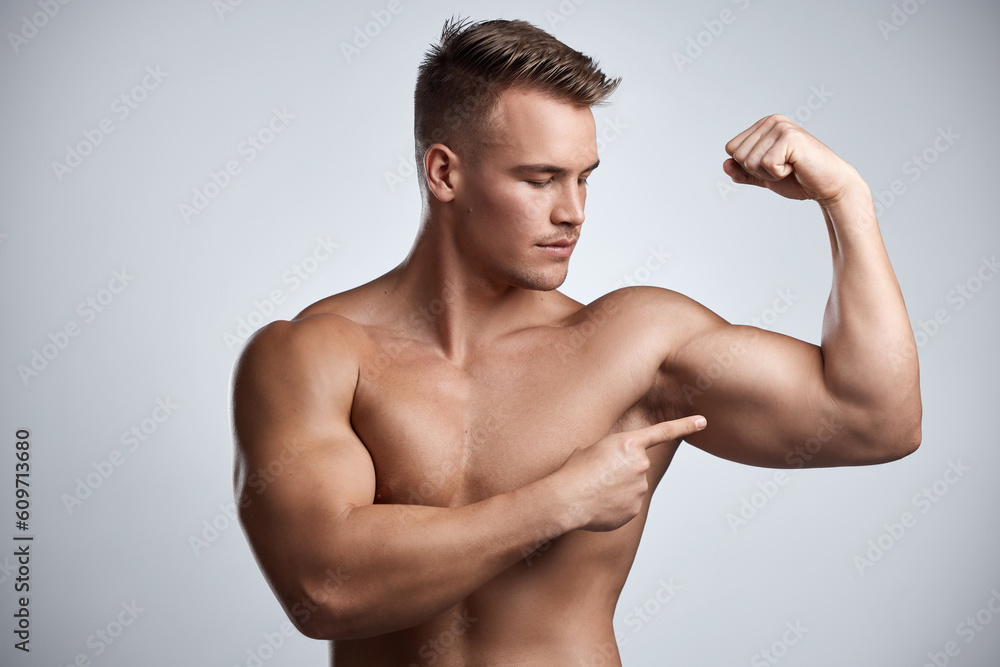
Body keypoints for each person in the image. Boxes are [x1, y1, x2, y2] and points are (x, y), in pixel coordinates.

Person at [230, 16, 921, 666]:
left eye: (584, 178)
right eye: (541, 180)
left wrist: (847, 201)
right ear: (444, 173)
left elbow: (878, 421)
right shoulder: (315, 354)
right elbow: (323, 588)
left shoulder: (636, 344)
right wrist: (557, 501)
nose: (574, 211)